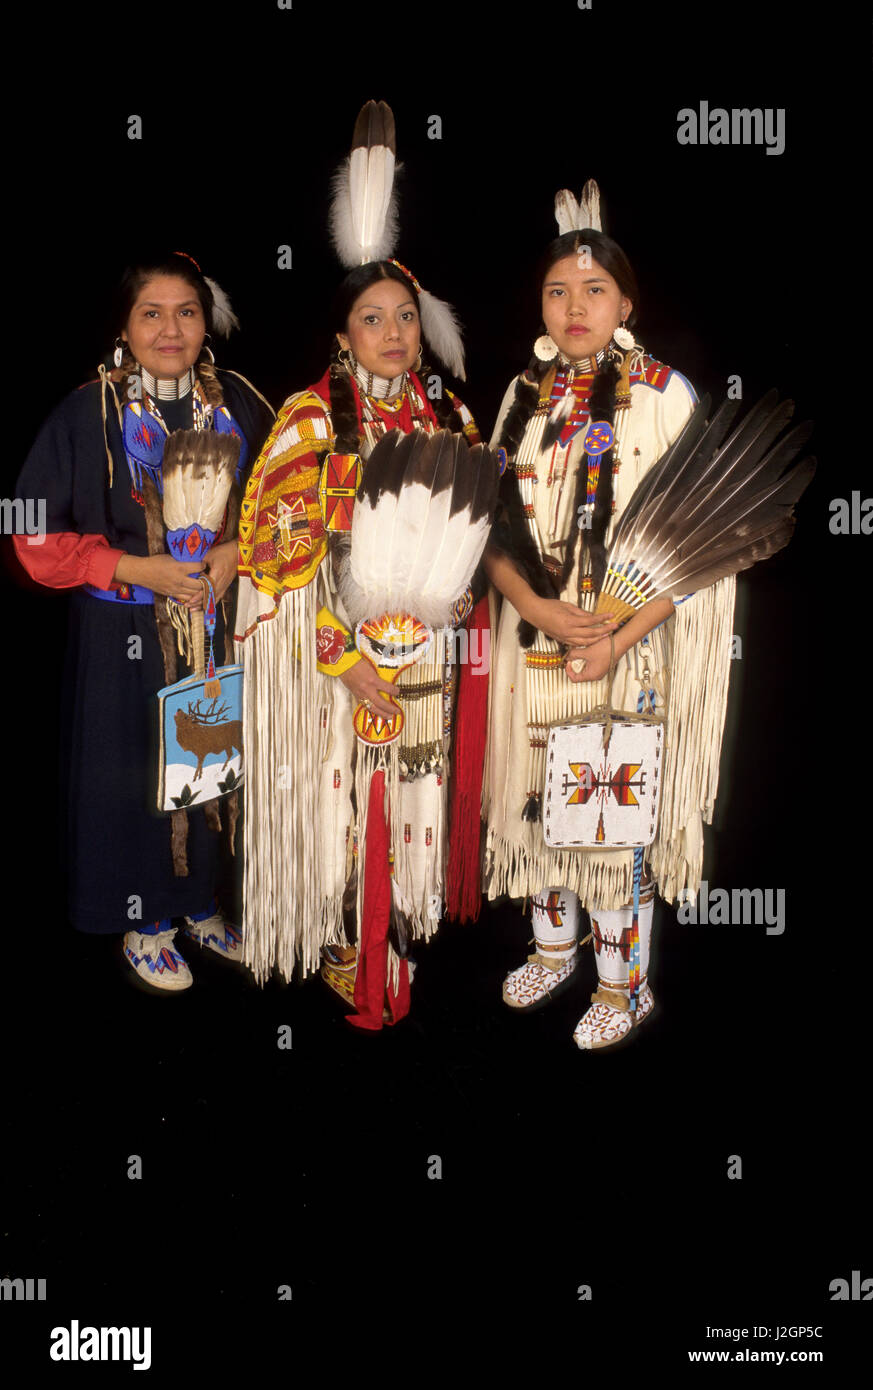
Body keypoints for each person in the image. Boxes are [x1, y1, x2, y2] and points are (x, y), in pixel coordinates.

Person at [236, 102, 485, 1030]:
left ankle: (397, 934)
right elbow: (275, 561)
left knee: (410, 797)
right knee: (339, 803)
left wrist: (437, 628)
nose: (393, 333)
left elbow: (478, 548)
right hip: (332, 669)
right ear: (342, 334)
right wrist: (349, 663)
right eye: (372, 319)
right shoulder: (308, 420)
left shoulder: (449, 423)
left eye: (406, 318)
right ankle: (346, 940)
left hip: (421, 664)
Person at [483, 182, 736, 1049]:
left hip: (625, 652)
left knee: (602, 804)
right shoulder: (521, 400)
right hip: (533, 643)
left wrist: (616, 635)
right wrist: (532, 605)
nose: (574, 306)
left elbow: (704, 543)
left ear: (625, 303)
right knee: (529, 799)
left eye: (593, 291)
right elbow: (485, 528)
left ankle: (622, 983)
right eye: (557, 291)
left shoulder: (665, 396)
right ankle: (552, 950)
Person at [13, 250, 274, 990]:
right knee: (132, 772)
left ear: (206, 323)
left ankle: (200, 903)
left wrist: (234, 555)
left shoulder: (243, 405)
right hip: (121, 634)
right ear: (125, 329)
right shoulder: (83, 412)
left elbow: (289, 508)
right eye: (151, 313)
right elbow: (27, 529)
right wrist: (133, 569)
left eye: (186, 312)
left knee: (215, 765)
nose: (170, 328)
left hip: (218, 626)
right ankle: (146, 919)